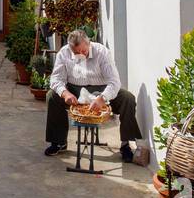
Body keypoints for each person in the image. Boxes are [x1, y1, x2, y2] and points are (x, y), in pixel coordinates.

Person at [45, 30, 142, 162]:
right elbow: (56, 79)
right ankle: (58, 142)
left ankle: (126, 144)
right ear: (70, 48)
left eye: (83, 51)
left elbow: (114, 82)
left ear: (89, 43)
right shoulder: (64, 52)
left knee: (128, 98)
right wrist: (65, 93)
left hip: (101, 89)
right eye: (76, 53)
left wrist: (102, 98)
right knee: (52, 96)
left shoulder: (102, 52)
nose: (80, 55)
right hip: (75, 89)